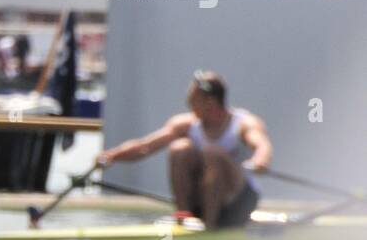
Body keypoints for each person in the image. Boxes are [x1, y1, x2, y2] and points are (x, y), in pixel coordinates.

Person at [98, 70, 272, 228]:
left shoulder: (243, 123)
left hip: (236, 202)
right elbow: (145, 146)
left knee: (213, 153)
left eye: (193, 99)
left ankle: (209, 227)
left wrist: (260, 161)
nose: (188, 103)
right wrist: (111, 156)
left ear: (210, 102)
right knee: (180, 148)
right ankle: (184, 216)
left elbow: (261, 145)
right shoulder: (186, 124)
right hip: (202, 199)